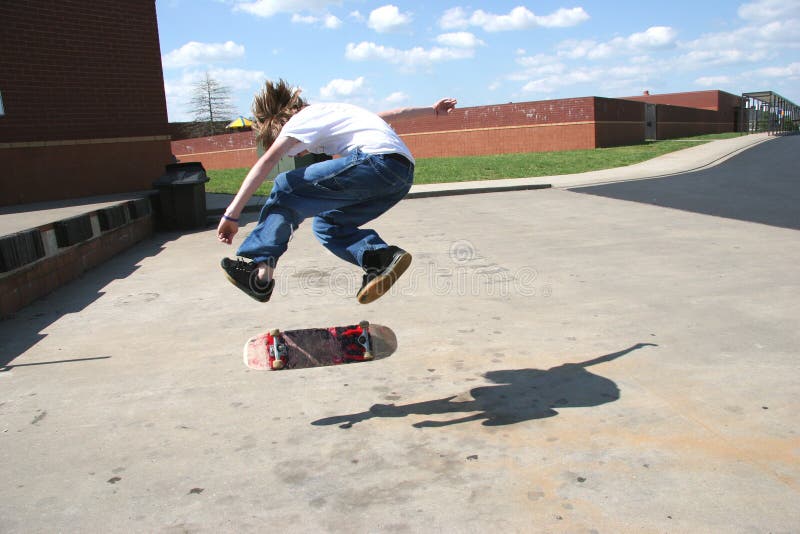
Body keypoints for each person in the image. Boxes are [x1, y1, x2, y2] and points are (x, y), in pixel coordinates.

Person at [217, 79, 457, 304]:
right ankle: (379, 258)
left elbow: (266, 162)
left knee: (284, 187)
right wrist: (432, 110)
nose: (299, 153)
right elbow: (395, 114)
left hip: (375, 162)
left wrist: (231, 214)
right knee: (327, 225)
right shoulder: (338, 115)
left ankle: (259, 274)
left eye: (295, 150)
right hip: (401, 176)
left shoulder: (299, 120)